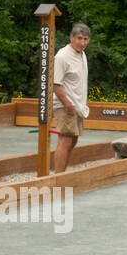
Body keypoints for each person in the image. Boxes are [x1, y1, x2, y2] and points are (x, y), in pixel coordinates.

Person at [51, 23, 91, 173]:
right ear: (71, 37)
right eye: (79, 38)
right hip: (65, 105)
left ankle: (62, 174)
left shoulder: (82, 54)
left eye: (85, 39)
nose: (82, 42)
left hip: (77, 105)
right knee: (65, 140)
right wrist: (68, 104)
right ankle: (58, 178)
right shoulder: (62, 56)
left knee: (73, 140)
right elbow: (55, 84)